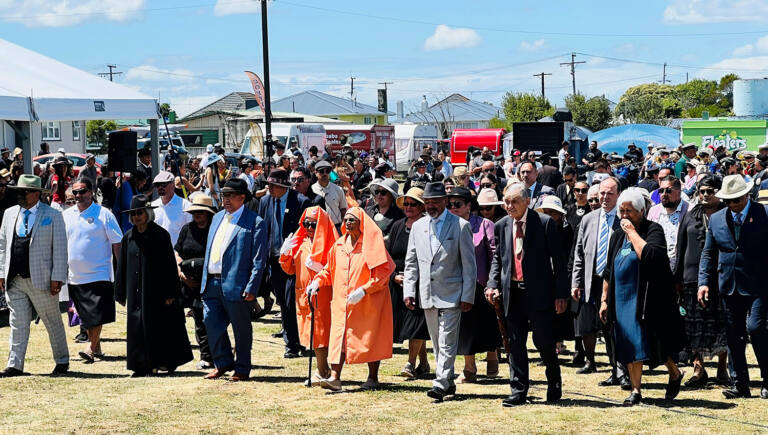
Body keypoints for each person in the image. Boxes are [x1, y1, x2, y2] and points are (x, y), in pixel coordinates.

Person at [599, 188, 686, 406]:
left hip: (646, 298)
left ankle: (674, 372)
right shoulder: (616, 235)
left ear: (641, 211)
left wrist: (632, 233)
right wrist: (603, 299)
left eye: (630, 211)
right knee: (630, 342)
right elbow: (608, 270)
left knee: (653, 342)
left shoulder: (652, 230)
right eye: (622, 211)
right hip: (621, 299)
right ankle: (636, 391)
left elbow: (651, 256)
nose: (625, 215)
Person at [485, 183, 568, 407]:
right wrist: (493, 284)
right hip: (512, 293)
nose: (509, 206)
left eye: (515, 201)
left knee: (543, 341)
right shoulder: (501, 226)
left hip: (539, 293)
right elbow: (497, 260)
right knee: (515, 343)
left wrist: (561, 294)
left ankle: (554, 381)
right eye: (506, 201)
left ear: (527, 201)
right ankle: (518, 390)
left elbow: (559, 262)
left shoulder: (544, 223)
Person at [307, 207, 395, 391]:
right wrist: (317, 281)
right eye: (346, 219)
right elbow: (329, 271)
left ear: (361, 223)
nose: (347, 223)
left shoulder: (371, 245)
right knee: (338, 337)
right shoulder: (339, 246)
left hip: (367, 302)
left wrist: (364, 290)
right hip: (341, 301)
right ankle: (334, 377)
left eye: (352, 220)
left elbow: (382, 274)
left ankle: (372, 376)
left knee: (370, 336)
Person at [403, 182, 476, 402]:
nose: (431, 206)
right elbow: (411, 262)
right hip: (427, 292)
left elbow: (469, 265)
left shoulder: (460, 226)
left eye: (435, 201)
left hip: (453, 292)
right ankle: (449, 381)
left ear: (445, 201)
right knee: (436, 341)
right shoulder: (418, 226)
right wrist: (409, 290)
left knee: (447, 339)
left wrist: (467, 295)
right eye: (427, 202)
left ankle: (441, 382)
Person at [699, 175, 768, 400]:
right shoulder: (717, 219)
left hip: (759, 284)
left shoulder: (763, 214)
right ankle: (740, 384)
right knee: (734, 336)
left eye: (736, 200)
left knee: (756, 328)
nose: (732, 205)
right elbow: (709, 253)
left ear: (746, 195)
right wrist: (703, 282)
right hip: (728, 285)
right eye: (727, 201)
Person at [114, 194, 193, 377]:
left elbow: (169, 266)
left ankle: (158, 363)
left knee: (157, 327)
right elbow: (122, 267)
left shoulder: (161, 235)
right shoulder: (128, 238)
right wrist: (120, 292)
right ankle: (140, 366)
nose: (136, 217)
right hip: (135, 291)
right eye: (133, 214)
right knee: (136, 327)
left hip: (157, 291)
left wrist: (172, 292)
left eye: (139, 213)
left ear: (148, 213)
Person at [0, 175, 69, 377]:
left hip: (42, 279)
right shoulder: (9, 214)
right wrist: (2, 272)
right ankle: (15, 364)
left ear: (37, 194)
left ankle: (62, 360)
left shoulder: (53, 215)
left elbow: (60, 248)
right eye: (18, 191)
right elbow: (2, 246)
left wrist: (58, 277)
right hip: (15, 279)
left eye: (25, 191)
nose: (20, 195)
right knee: (17, 322)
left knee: (52, 320)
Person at [200, 179, 267, 381]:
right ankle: (222, 362)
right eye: (224, 195)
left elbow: (259, 260)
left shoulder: (255, 222)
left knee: (241, 329)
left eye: (230, 196)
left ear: (242, 197)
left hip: (237, 285)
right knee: (211, 323)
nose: (226, 200)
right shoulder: (217, 217)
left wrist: (252, 287)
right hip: (211, 282)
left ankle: (242, 367)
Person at [673, 174, 729, 388]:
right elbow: (681, 246)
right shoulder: (689, 215)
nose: (705, 195)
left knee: (722, 324)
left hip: (721, 277)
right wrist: (677, 278)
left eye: (710, 191)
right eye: (702, 191)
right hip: (690, 278)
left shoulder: (727, 214)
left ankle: (722, 368)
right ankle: (698, 368)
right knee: (694, 326)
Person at [571, 177, 626, 384]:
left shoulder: (624, 219)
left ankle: (621, 370)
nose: (604, 197)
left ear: (618, 195)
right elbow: (579, 254)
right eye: (602, 193)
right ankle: (609, 368)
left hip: (615, 283)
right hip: (591, 280)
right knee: (592, 325)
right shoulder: (589, 219)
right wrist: (576, 282)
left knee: (614, 327)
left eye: (609, 193)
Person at [62, 179, 122, 363]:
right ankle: (98, 347)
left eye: (83, 192)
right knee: (87, 316)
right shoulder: (66, 215)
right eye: (76, 192)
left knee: (96, 314)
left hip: (99, 273)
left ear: (91, 192)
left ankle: (90, 348)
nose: (79, 196)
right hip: (74, 275)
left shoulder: (104, 214)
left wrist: (120, 270)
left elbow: (117, 243)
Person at [446, 187, 501, 383]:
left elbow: (495, 255)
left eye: (458, 204)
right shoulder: (447, 226)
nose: (453, 208)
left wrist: (493, 282)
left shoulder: (484, 224)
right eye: (449, 204)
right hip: (456, 284)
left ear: (469, 206)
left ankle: (492, 356)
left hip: (481, 283)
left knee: (487, 324)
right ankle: (469, 367)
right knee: (464, 328)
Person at [279, 206, 338, 385]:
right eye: (306, 224)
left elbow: (337, 269)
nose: (309, 228)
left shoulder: (332, 243)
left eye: (313, 224)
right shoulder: (301, 242)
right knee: (311, 334)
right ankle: (323, 369)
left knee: (321, 334)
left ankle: (323, 370)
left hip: (324, 295)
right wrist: (284, 254)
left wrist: (319, 270)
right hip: (304, 294)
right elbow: (289, 269)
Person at [257, 169, 311, 358]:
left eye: (272, 185)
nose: (268, 188)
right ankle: (294, 341)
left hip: (295, 261)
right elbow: (262, 228)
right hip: (273, 260)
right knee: (283, 301)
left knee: (292, 301)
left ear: (282, 186)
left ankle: (295, 344)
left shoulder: (301, 202)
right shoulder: (265, 201)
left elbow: (306, 232)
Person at [387, 188, 431, 379]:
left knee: (417, 322)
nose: (409, 207)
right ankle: (424, 362)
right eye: (406, 203)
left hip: (420, 282)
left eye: (413, 204)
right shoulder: (397, 226)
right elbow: (388, 254)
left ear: (422, 207)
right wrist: (394, 275)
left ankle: (410, 363)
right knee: (409, 325)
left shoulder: (427, 226)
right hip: (398, 281)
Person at [174, 194, 217, 370]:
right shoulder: (187, 229)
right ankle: (205, 356)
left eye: (200, 212)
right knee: (198, 320)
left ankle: (216, 353)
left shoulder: (215, 229)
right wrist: (181, 274)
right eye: (194, 212)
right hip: (187, 281)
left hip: (209, 280)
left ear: (208, 213)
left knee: (211, 319)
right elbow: (177, 251)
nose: (197, 215)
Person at [535, 195, 575, 356]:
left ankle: (558, 344)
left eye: (553, 212)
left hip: (561, 274)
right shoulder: (537, 228)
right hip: (542, 276)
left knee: (560, 312)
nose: (549, 215)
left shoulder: (567, 231)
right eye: (546, 212)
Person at [647, 176, 688, 271]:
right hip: (658, 269)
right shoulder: (653, 211)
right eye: (661, 191)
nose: (664, 194)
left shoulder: (689, 210)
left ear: (679, 191)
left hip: (682, 269)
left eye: (668, 191)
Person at [151, 171, 192, 247]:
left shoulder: (185, 206)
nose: (160, 187)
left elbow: (191, 233)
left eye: (163, 184)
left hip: (177, 255)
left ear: (173, 184)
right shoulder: (152, 206)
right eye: (157, 185)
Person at [311, 161, 347, 229]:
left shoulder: (338, 189)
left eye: (327, 171)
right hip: (317, 228)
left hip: (336, 227)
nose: (325, 174)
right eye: (321, 171)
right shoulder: (311, 189)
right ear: (316, 173)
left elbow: (343, 210)